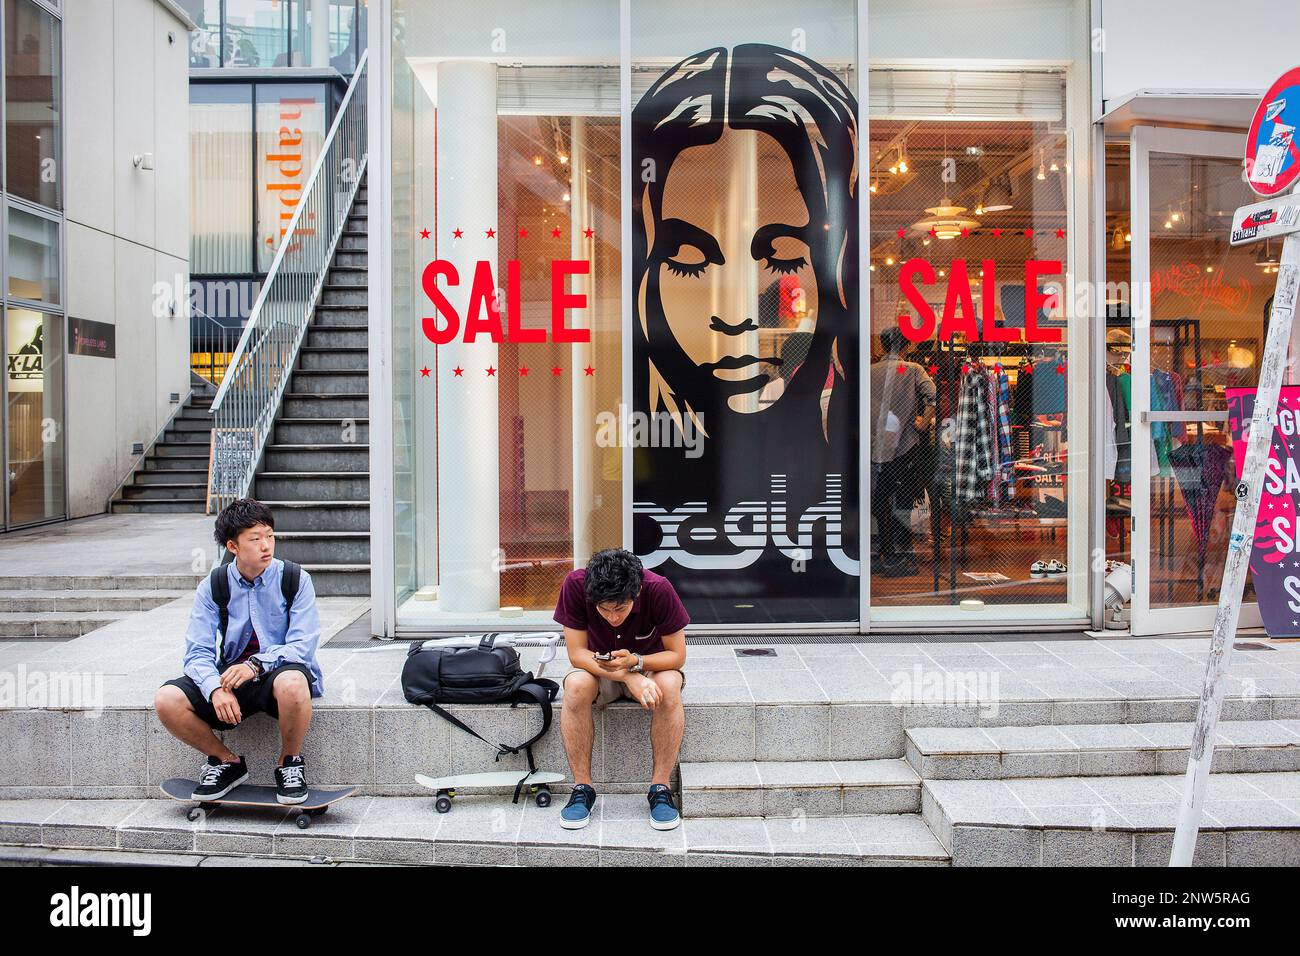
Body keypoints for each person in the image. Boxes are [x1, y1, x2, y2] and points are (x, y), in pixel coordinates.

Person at [154, 498, 323, 805]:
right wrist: (215, 688)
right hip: (232, 678)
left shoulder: (295, 579)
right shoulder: (213, 585)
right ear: (233, 546)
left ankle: (289, 764)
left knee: (295, 683)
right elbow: (197, 653)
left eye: (269, 535)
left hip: (277, 676)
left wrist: (257, 665)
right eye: (255, 538)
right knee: (167, 699)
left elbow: (302, 647)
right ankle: (226, 762)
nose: (266, 545)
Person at [552, 548, 690, 830]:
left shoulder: (658, 588)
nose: (612, 617)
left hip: (649, 666)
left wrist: (637, 664)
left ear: (636, 593)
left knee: (669, 684)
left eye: (620, 608)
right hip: (598, 668)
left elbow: (677, 656)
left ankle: (660, 789)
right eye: (603, 609)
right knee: (575, 685)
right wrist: (628, 677)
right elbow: (577, 654)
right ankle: (582, 790)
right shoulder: (575, 585)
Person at [870, 326, 937, 576]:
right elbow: (933, 396)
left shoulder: (868, 372)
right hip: (905, 445)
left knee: (880, 498)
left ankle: (885, 549)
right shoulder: (913, 369)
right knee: (904, 501)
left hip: (876, 445)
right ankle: (902, 552)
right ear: (907, 347)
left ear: (884, 346)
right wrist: (923, 420)